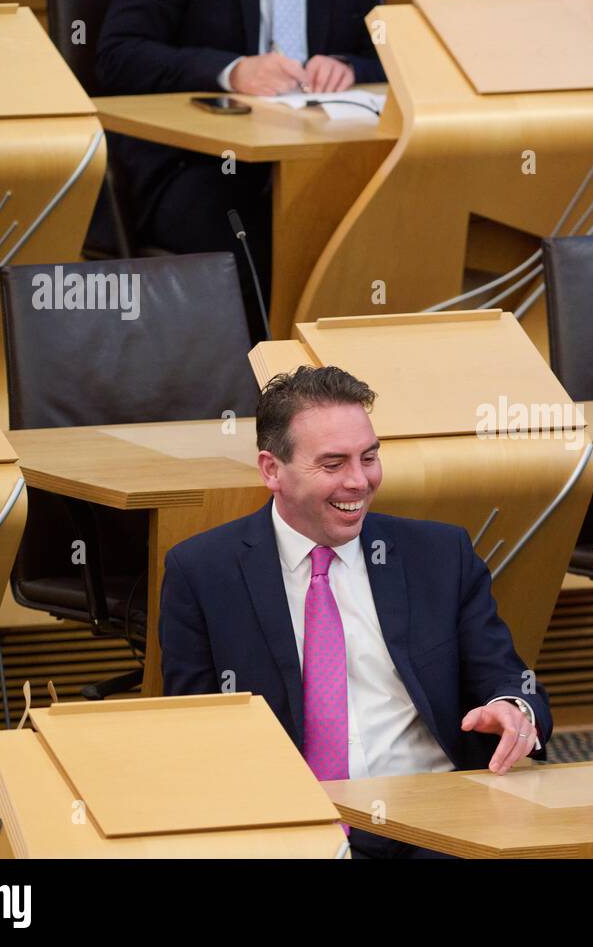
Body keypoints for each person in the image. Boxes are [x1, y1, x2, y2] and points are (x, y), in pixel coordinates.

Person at [159, 366, 550, 858]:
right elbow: (192, 737)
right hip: (298, 830)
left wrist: (513, 711)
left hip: (437, 823)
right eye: (333, 463)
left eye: (369, 457)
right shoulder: (203, 572)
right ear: (271, 469)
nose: (359, 481)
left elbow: (510, 680)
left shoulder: (438, 554)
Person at [95, 0, 387, 300]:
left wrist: (348, 67)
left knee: (386, 229)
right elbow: (119, 56)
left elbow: (394, 55)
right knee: (260, 242)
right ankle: (266, 348)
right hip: (194, 164)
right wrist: (231, 71)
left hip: (325, 164)